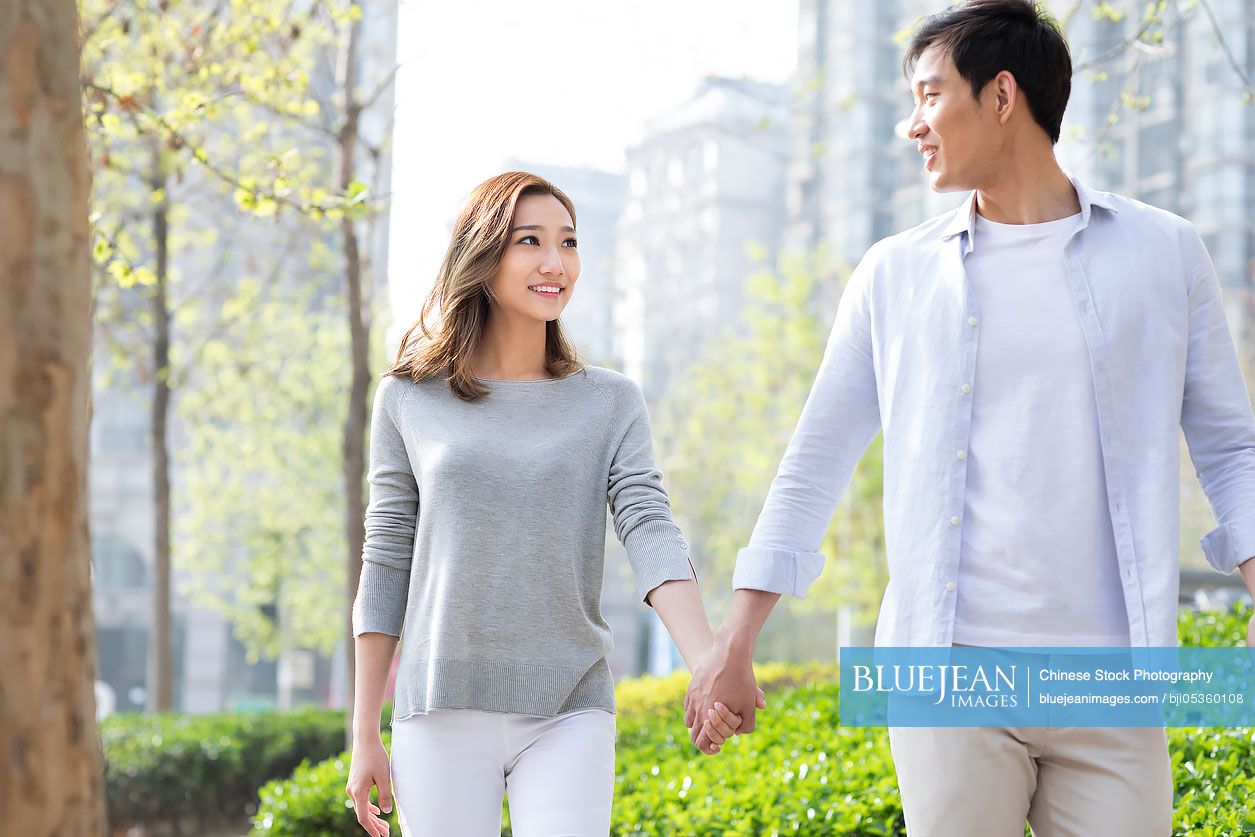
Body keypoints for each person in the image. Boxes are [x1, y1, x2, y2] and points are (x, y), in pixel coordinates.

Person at [685, 1, 1255, 834]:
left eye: (928, 94)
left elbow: (1230, 449)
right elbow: (814, 461)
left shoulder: (1163, 252)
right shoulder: (893, 274)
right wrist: (735, 640)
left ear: (1000, 95)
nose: (910, 124)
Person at [344, 171, 751, 837]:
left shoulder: (609, 401)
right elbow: (386, 559)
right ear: (482, 254)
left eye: (569, 242)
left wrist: (707, 660)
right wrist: (364, 732)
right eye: (530, 241)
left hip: (569, 706)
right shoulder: (409, 397)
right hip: (440, 707)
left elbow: (649, 527)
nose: (555, 262)